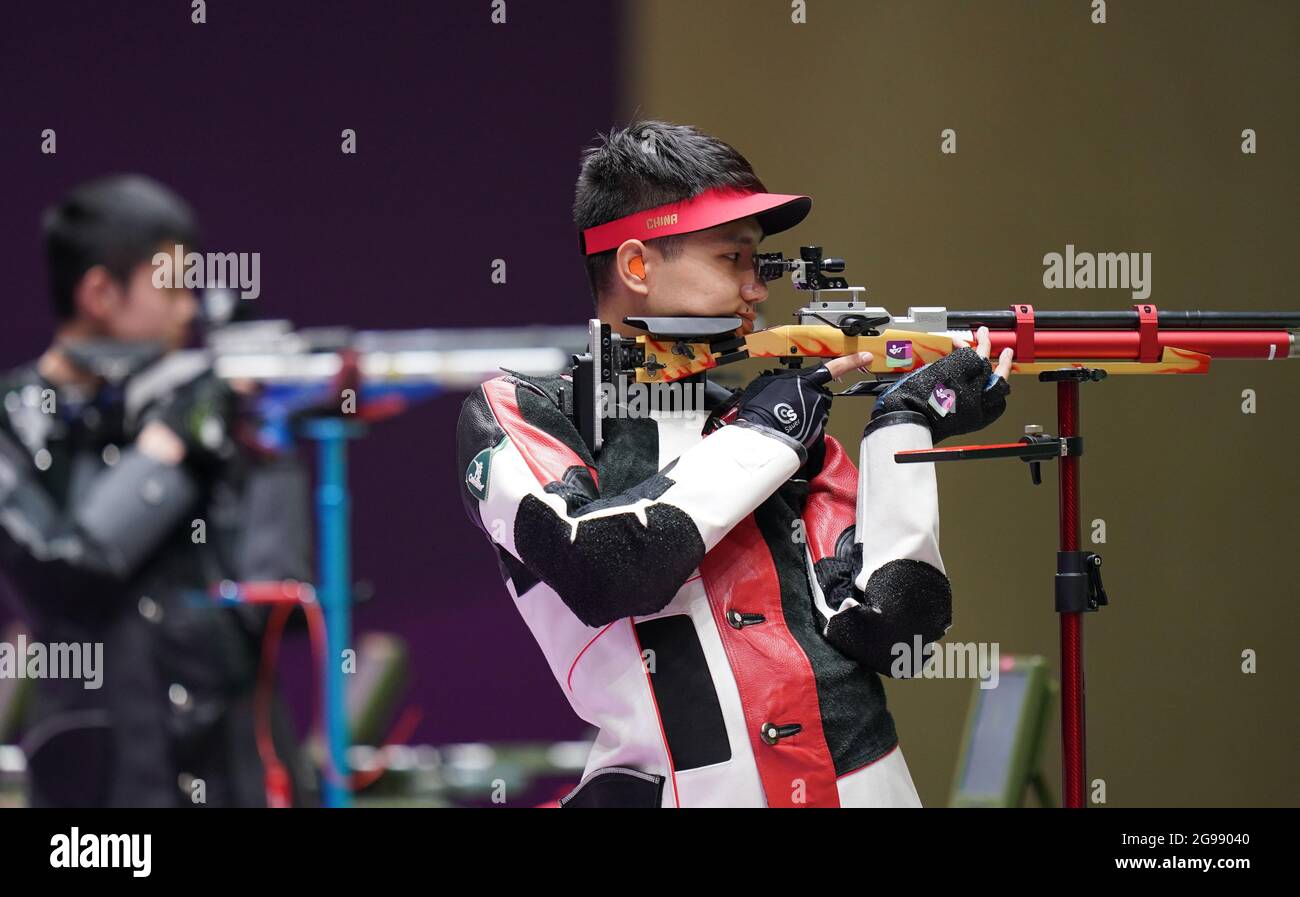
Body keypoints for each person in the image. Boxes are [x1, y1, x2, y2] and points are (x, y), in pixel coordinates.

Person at [456, 121, 1013, 807]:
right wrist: (770, 427)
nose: (758, 291)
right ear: (636, 266)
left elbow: (896, 632)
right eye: (732, 259)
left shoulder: (781, 427)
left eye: (761, 266)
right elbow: (605, 568)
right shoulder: (525, 410)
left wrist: (904, 429)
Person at [0, 174, 311, 807]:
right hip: (100, 788)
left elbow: (281, 596)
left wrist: (266, 432)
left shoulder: (204, 403)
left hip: (238, 767)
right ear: (99, 292)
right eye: (173, 284)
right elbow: (62, 569)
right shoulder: (11, 419)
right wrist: (168, 447)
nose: (189, 308)